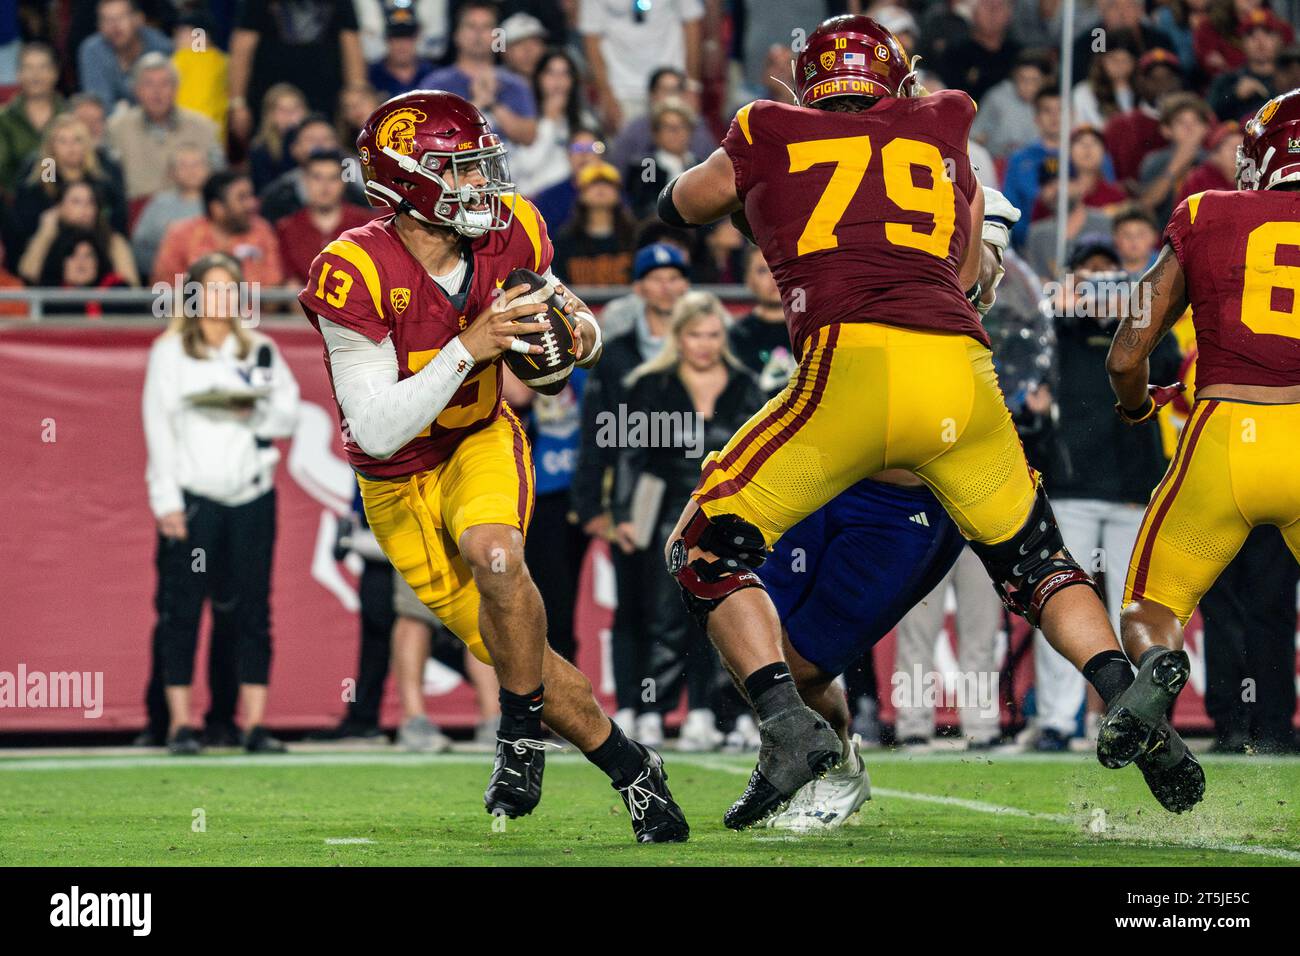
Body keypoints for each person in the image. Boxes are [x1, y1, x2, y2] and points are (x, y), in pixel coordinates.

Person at [658, 14, 1201, 829]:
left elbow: (678, 205)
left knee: (700, 549)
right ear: (895, 81)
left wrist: (758, 200)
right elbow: (955, 260)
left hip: (854, 370)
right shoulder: (943, 121)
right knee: (1038, 562)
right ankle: (1120, 688)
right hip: (957, 368)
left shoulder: (765, 128)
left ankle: (782, 721)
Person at [297, 91, 688, 842]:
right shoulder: (352, 266)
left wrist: (575, 341)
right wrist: (470, 347)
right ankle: (633, 769)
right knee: (518, 652)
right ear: (407, 181)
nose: (482, 185)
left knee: (499, 554)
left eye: (482, 166)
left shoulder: (514, 231)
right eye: (460, 169)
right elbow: (377, 429)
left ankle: (516, 733)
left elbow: (573, 325)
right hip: (397, 481)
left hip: (478, 435)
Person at [1105, 89, 1300, 802]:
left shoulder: (1207, 213)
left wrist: (1134, 409)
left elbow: (1128, 353)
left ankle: (1160, 664)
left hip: (1227, 432)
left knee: (1148, 609)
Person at [142, 252, 300, 755]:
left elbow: (287, 415)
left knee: (252, 611)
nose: (220, 298)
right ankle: (180, 725)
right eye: (210, 288)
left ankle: (252, 724)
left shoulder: (260, 348)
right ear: (192, 295)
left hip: (251, 495)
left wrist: (250, 414)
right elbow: (158, 430)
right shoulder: (171, 352)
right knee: (182, 609)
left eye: (229, 288)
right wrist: (166, 500)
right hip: (195, 498)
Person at [612, 292, 765, 751]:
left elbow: (760, 455)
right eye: (695, 335)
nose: (704, 344)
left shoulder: (745, 384)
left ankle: (720, 713)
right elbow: (628, 455)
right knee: (664, 616)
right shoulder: (649, 384)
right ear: (678, 338)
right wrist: (622, 514)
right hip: (662, 510)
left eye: (713, 334)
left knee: (725, 614)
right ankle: (655, 712)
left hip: (727, 515)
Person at [227, 0, 364, 139]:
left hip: (326, 93)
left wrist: (357, 92)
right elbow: (242, 47)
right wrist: (238, 102)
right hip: (271, 94)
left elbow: (351, 43)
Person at [4, 115, 127, 264]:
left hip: (96, 247)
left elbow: (117, 218)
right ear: (51, 146)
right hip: (50, 248)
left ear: (86, 144)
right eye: (62, 141)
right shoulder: (45, 173)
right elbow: (31, 220)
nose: (71, 147)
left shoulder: (101, 177)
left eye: (77, 140)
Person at [104, 51, 224, 202]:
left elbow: (218, 181)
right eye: (148, 84)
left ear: (176, 89)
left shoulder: (204, 127)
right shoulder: (117, 128)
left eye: (164, 84)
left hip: (192, 212)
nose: (157, 92)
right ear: (136, 90)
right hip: (136, 213)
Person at [418, 2, 537, 147]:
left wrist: (493, 103)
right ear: (457, 35)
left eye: (486, 27)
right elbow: (427, 137)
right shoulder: (435, 85)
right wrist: (477, 103)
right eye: (471, 26)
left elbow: (529, 137)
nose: (478, 33)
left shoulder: (516, 84)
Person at [580, 0, 703, 133]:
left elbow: (691, 21)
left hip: (670, 82)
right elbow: (591, 37)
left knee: (678, 144)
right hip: (621, 88)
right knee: (625, 149)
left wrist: (691, 84)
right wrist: (606, 94)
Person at [152, 170, 284, 288]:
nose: (252, 203)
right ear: (217, 208)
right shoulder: (182, 235)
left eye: (251, 196)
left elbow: (273, 291)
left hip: (254, 314)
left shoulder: (261, 231)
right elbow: (164, 290)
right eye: (242, 198)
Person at [276, 149, 375, 285]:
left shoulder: (366, 225)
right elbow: (289, 282)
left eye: (333, 178)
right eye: (317, 177)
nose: (325, 186)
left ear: (343, 182)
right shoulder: (288, 229)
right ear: (305, 181)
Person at [17, 179, 138, 287]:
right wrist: (45, 233)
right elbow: (28, 277)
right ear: (59, 208)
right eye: (76, 202)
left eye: (91, 202)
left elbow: (131, 287)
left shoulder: (112, 240)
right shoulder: (48, 236)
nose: (85, 208)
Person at [508, 50, 593, 198]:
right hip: (530, 200)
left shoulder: (585, 120)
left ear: (573, 81)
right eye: (551, 73)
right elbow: (527, 165)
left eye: (564, 74)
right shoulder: (522, 119)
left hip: (572, 200)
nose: (558, 81)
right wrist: (549, 122)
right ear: (538, 78)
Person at [76, 0, 172, 114]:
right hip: (110, 126)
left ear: (138, 19)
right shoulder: (92, 50)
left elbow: (166, 99)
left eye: (121, 17)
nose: (114, 26)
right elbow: (99, 104)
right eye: (106, 20)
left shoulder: (162, 47)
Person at [551, 162, 638, 286]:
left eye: (608, 184)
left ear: (618, 194)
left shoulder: (634, 236)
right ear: (581, 195)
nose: (600, 189)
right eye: (593, 184)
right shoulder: (564, 240)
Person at [132, 145, 209, 279]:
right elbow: (139, 247)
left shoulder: (218, 204)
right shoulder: (159, 203)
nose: (191, 171)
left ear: (208, 169)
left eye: (197, 164)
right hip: (167, 279)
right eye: (184, 166)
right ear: (172, 172)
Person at [0, 42, 63, 191]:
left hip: (68, 202)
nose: (36, 75)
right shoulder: (4, 119)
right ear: (18, 74)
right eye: (29, 68)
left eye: (43, 67)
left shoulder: (70, 115)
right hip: (16, 204)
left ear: (55, 73)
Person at [1206, 9, 1283, 122]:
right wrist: (1234, 95)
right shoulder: (1227, 81)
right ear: (1242, 43)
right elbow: (1208, 118)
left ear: (1279, 40)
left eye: (1267, 32)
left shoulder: (1292, 78)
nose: (1260, 41)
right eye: (1251, 34)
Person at [248, 84, 309, 192]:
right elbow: (265, 190)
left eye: (295, 108)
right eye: (282, 110)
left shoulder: (320, 142)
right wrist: (290, 139)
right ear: (270, 115)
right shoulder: (260, 150)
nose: (290, 115)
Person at [367, 6, 433, 99]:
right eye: (396, 37)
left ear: (417, 38)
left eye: (407, 37)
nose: (401, 45)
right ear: (386, 39)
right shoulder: (370, 76)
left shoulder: (432, 74)